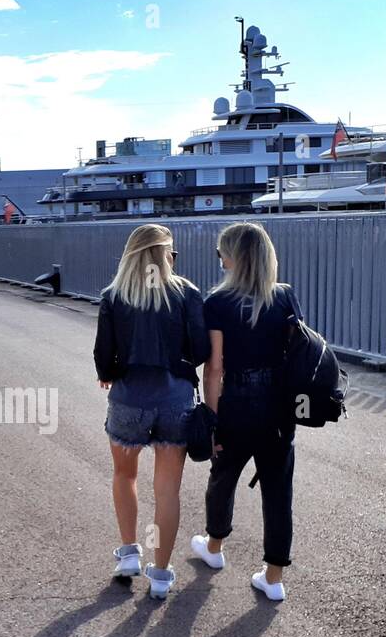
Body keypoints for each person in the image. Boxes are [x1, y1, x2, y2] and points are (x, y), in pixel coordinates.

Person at [94, 224, 210, 599]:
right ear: (165, 255)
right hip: (174, 399)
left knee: (124, 475)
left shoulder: (114, 296)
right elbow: (201, 350)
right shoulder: (186, 293)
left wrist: (109, 375)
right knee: (167, 491)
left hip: (128, 397)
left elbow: (103, 353)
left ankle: (129, 553)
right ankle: (160, 575)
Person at [192, 222, 302, 602]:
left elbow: (215, 368)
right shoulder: (285, 297)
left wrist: (211, 417)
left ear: (234, 258)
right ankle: (273, 578)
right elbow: (295, 355)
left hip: (237, 402)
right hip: (278, 407)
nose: (219, 257)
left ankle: (215, 548)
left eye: (222, 251)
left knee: (223, 476)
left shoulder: (217, 303)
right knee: (278, 491)